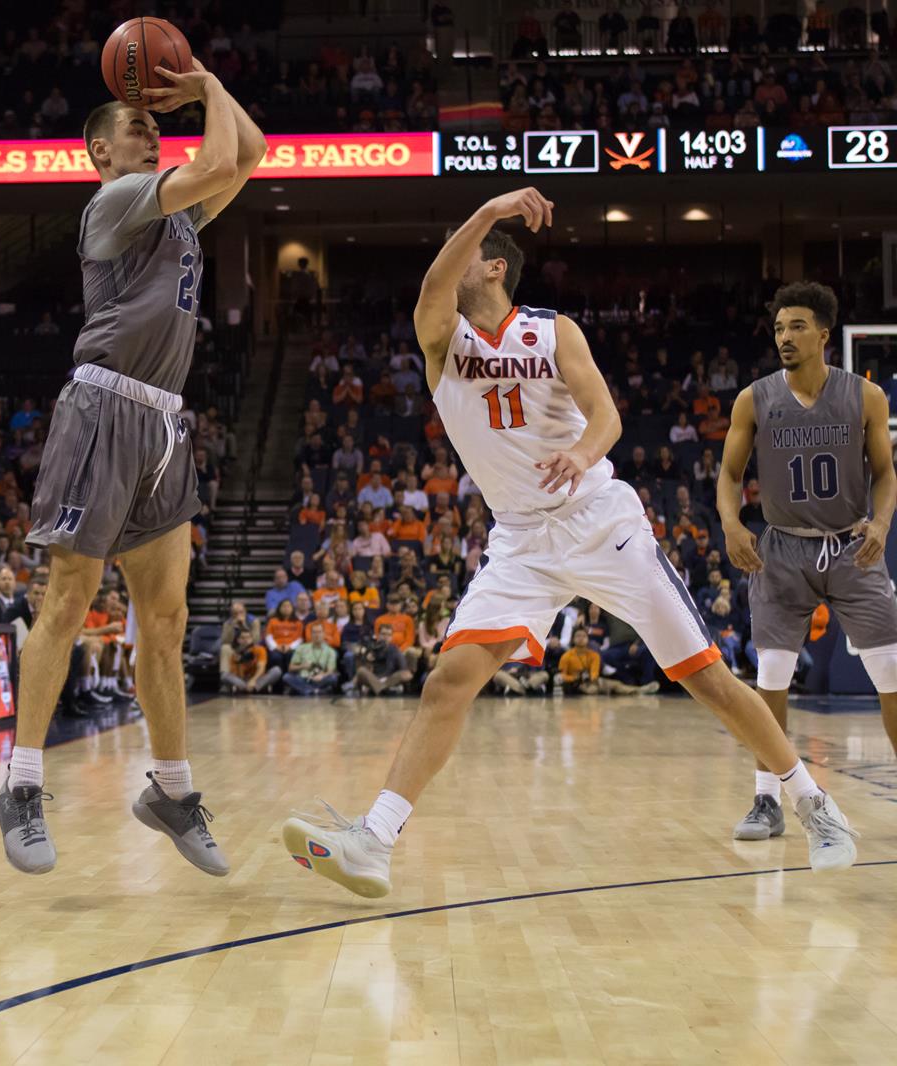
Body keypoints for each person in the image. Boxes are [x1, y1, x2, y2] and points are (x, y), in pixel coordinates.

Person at [284, 188, 858, 901]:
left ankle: (814, 807)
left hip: (598, 520)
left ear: (494, 269)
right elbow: (435, 283)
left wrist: (583, 454)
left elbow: (608, 416)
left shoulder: (554, 332)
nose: (450, 265)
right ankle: (374, 841)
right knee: (447, 681)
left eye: (468, 255)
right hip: (520, 540)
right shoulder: (443, 338)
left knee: (704, 675)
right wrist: (490, 208)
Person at [0, 59, 266, 878]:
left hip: (164, 422)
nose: (151, 131)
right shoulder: (114, 201)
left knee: (168, 619)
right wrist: (206, 90)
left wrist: (209, 86)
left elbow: (248, 153)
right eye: (134, 127)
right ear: (100, 155)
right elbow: (222, 163)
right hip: (103, 407)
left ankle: (172, 790)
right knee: (71, 596)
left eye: (155, 124)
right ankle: (22, 784)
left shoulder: (177, 215)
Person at [718, 281, 897, 841]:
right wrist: (730, 525)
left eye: (796, 326)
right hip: (782, 546)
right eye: (778, 328)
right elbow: (728, 475)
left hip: (851, 545)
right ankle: (767, 800)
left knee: (890, 673)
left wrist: (883, 524)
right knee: (771, 675)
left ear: (825, 334)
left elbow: (886, 473)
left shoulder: (865, 397)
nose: (785, 337)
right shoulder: (753, 398)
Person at [556, 628, 661, 695]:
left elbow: (594, 675)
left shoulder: (594, 656)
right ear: (573, 639)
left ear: (588, 639)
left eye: (584, 636)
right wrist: (575, 678)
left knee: (615, 684)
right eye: (578, 636)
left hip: (591, 683)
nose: (581, 638)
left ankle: (639, 690)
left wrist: (590, 679)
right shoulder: (566, 656)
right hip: (573, 685)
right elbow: (561, 676)